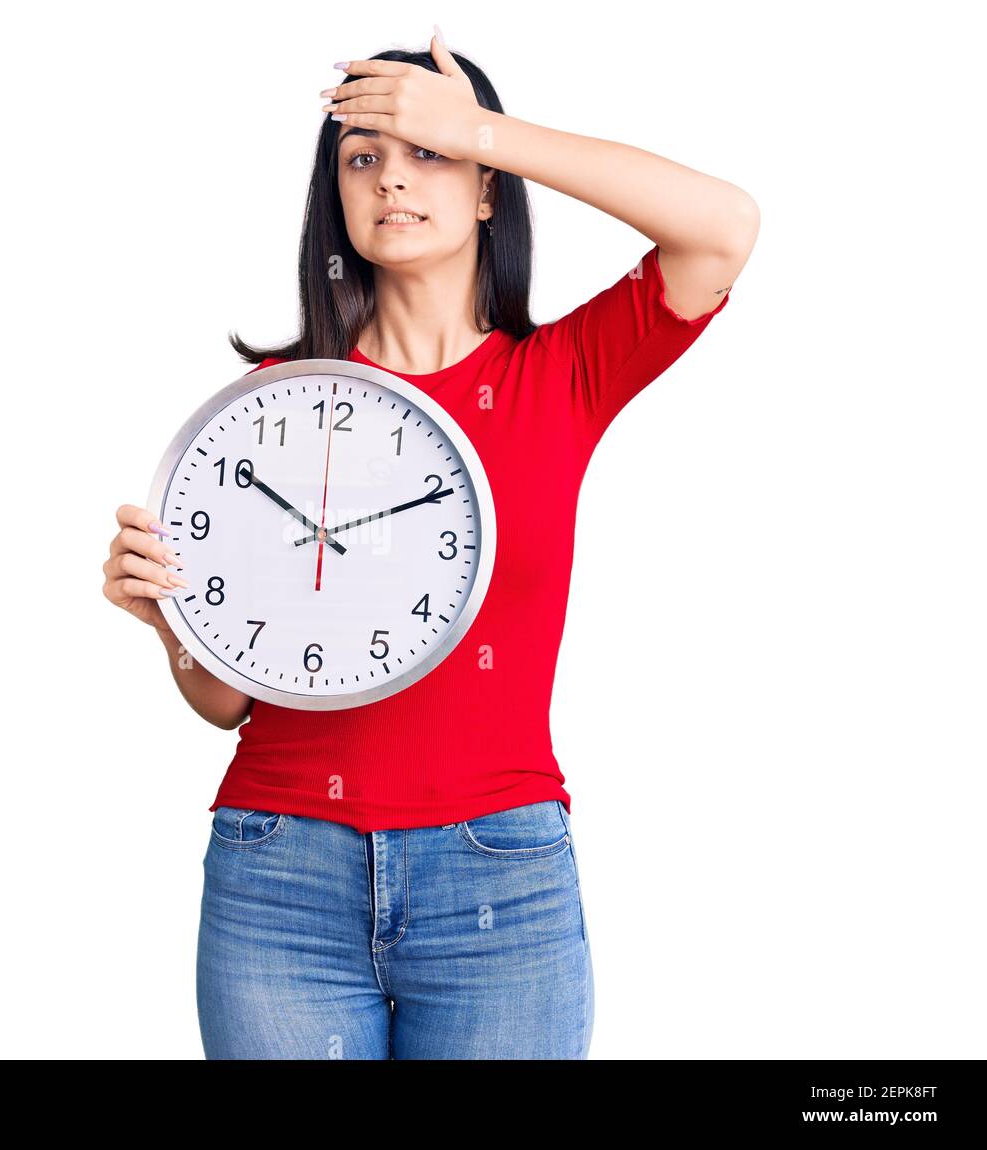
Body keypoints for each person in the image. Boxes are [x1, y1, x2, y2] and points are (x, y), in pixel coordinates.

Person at [103, 29, 758, 1059]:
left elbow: (723, 227)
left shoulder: (561, 377)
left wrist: (481, 127)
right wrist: (170, 620)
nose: (391, 181)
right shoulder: (264, 413)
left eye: (427, 155)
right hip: (279, 873)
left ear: (488, 189)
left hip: (497, 878)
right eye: (363, 158)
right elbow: (226, 699)